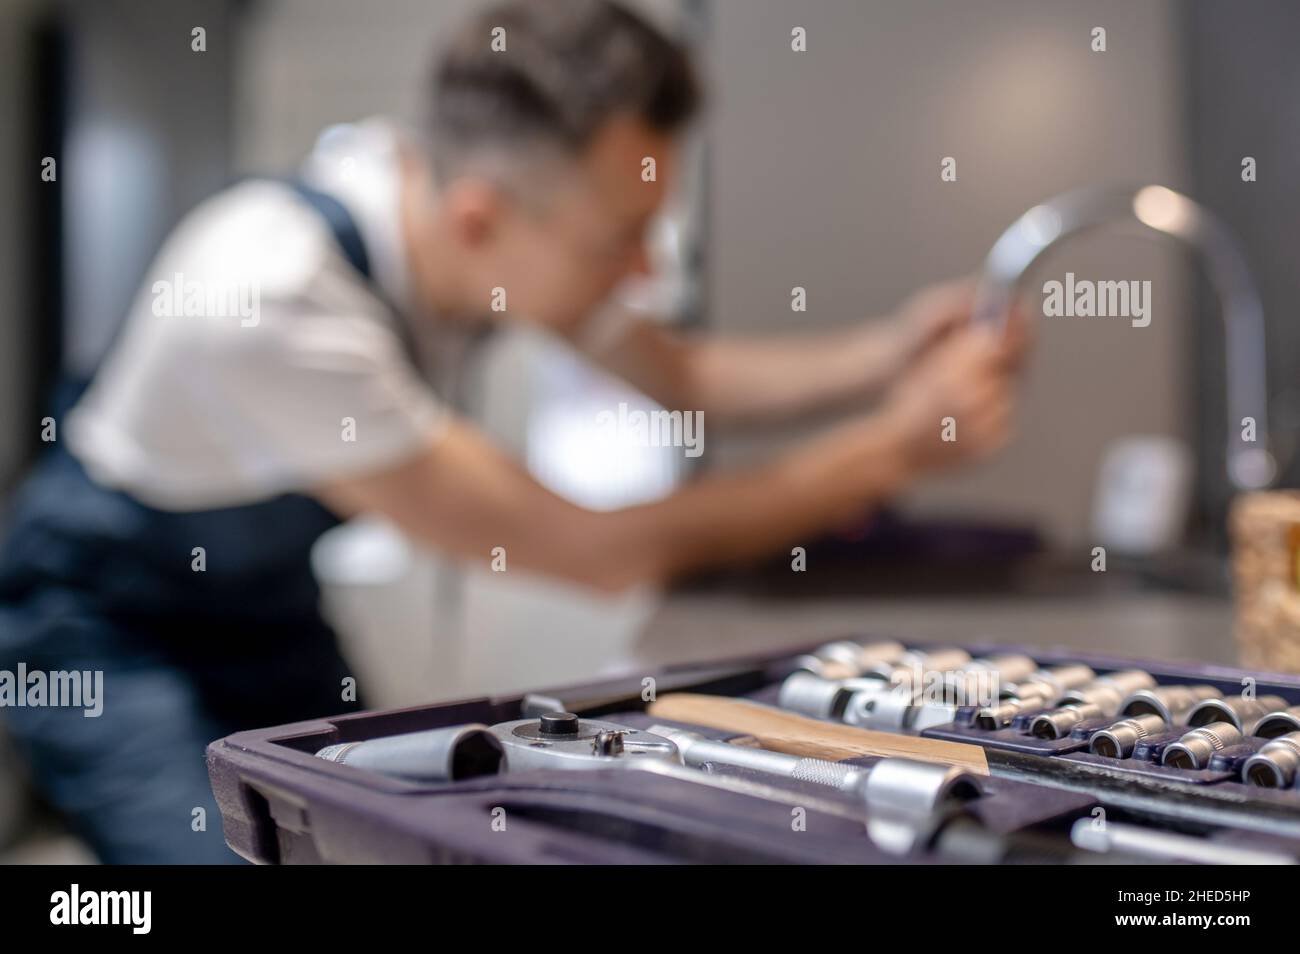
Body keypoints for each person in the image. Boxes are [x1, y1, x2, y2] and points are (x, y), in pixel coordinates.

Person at [0, 0, 1026, 863]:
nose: (641, 277)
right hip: (104, 617)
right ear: (485, 220)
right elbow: (589, 550)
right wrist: (893, 448)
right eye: (623, 241)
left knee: (356, 838)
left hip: (262, 600)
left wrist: (891, 350)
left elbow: (683, 375)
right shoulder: (270, 300)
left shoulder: (454, 207)